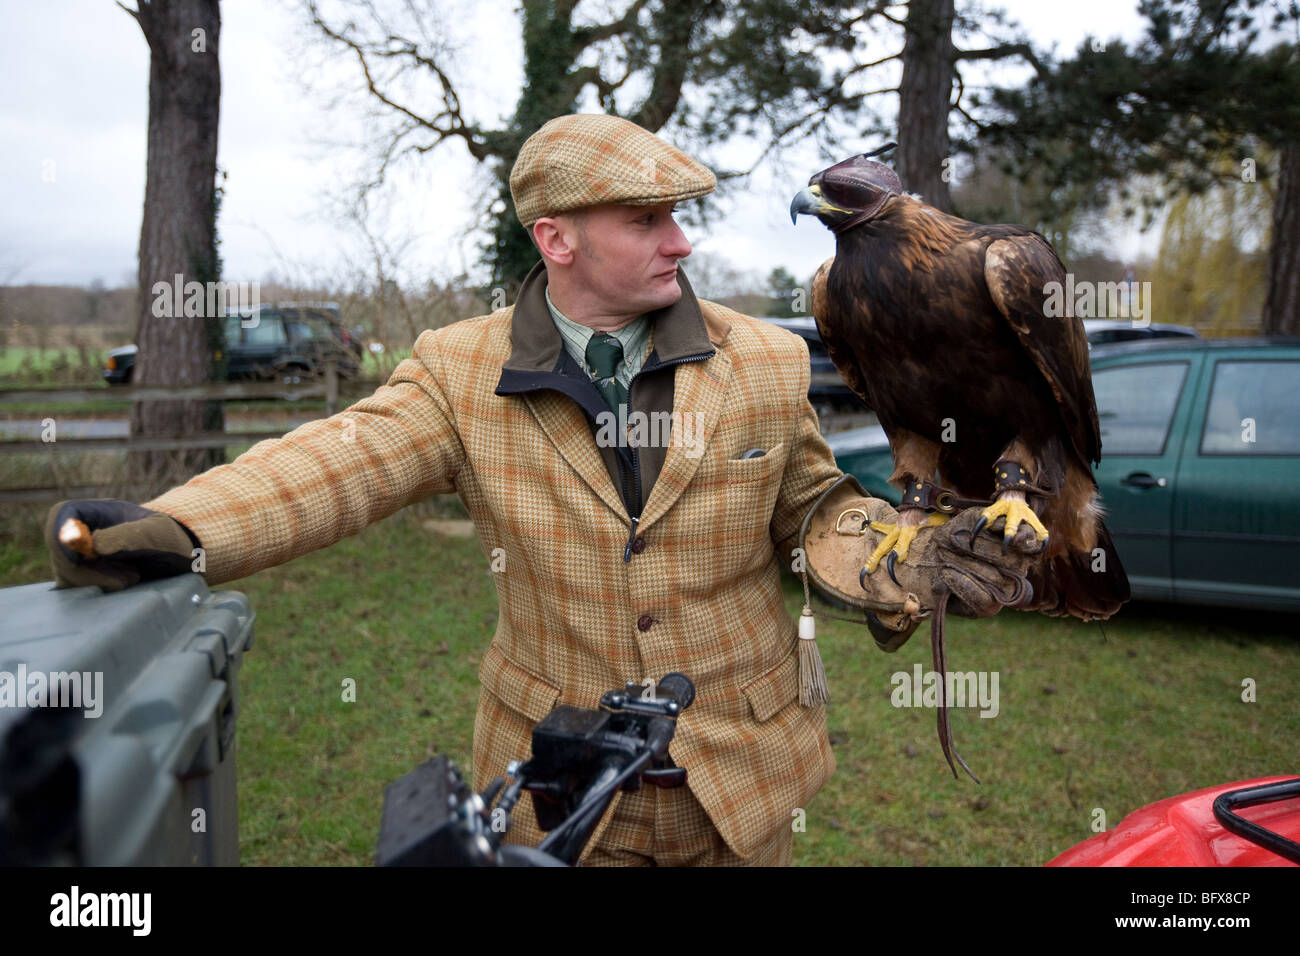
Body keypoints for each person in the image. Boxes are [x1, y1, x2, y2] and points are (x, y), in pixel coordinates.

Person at [44, 113, 1035, 866]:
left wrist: (897, 554)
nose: (680, 243)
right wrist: (180, 525)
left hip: (743, 778)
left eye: (678, 218)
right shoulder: (458, 368)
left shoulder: (766, 360)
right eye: (645, 221)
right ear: (557, 240)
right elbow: (331, 466)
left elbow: (814, 508)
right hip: (557, 789)